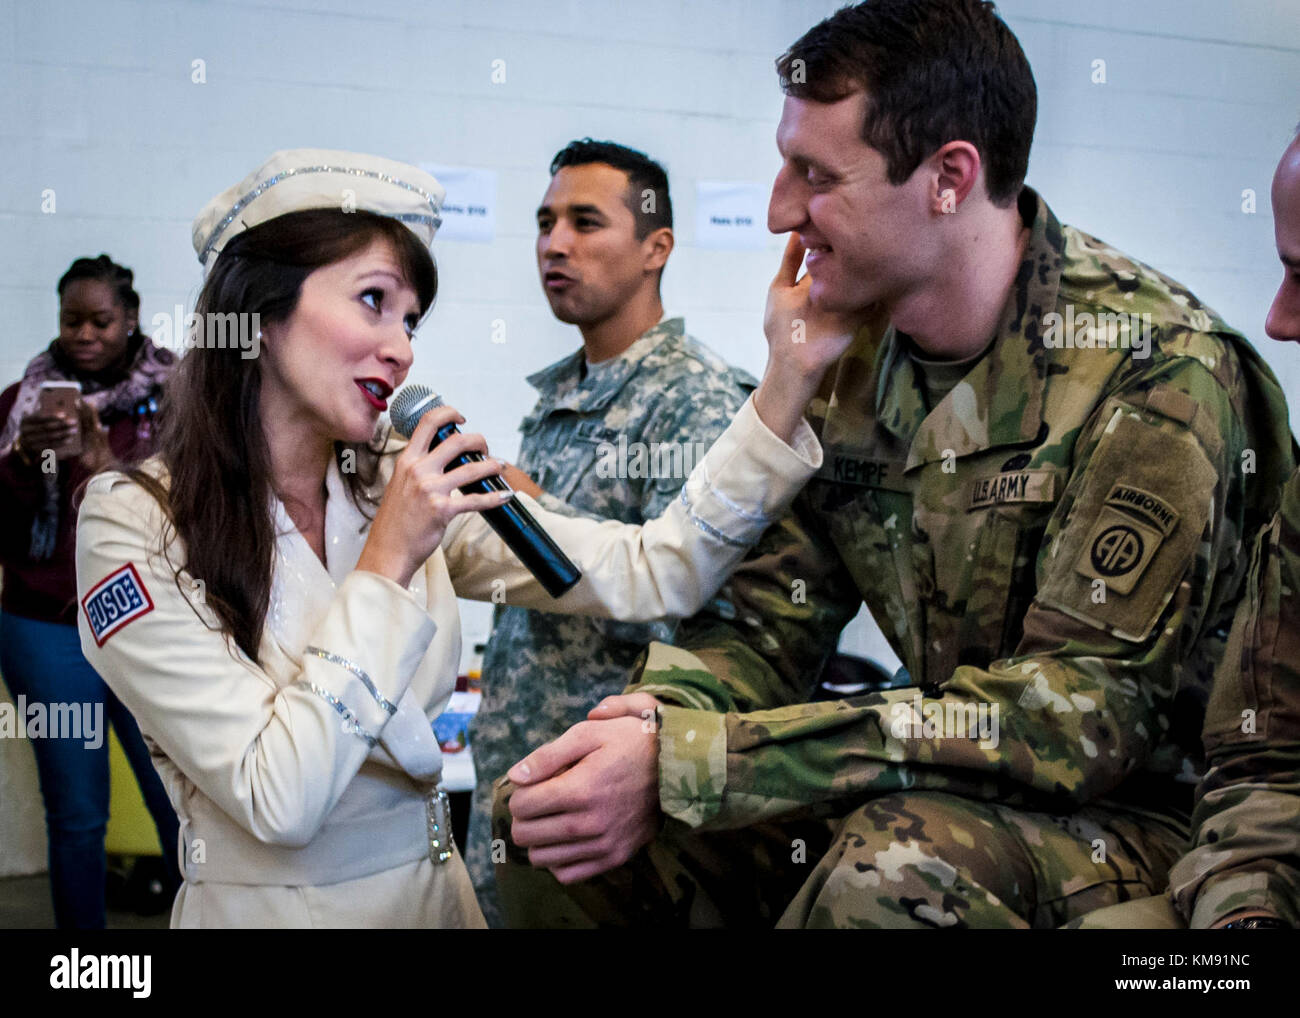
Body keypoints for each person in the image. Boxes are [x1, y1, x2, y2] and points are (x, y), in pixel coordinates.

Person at [493, 0, 1296, 928]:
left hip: (1137, 821)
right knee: (553, 822)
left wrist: (703, 761)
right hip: (925, 789)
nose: (777, 212)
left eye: (815, 175)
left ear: (948, 177)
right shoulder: (847, 362)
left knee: (896, 867)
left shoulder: (1155, 374)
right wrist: (648, 721)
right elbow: (760, 627)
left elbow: (1075, 720)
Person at [72, 148, 853, 929]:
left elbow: (658, 571)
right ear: (260, 316)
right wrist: (389, 556)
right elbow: (279, 798)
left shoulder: (389, 480)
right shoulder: (134, 521)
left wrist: (789, 378)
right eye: (372, 301)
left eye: (410, 319)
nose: (402, 347)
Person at [465, 138, 757, 924]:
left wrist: (535, 509)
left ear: (655, 246)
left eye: (585, 222)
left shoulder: (696, 399)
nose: (554, 244)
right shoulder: (562, 394)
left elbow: (700, 607)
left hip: (609, 805)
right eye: (545, 221)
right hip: (522, 769)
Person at [1072, 129, 1300, 930]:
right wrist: (1247, 917)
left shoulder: (1173, 372)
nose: (1277, 320)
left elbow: (1089, 708)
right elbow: (1267, 762)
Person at [0, 254, 179, 929]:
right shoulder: (22, 405)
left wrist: (105, 463)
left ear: (130, 320)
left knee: (180, 800)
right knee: (77, 815)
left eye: (100, 321)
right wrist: (24, 462)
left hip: (150, 623)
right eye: (70, 320)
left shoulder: (179, 395)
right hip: (46, 627)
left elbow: (193, 507)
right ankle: (84, 961)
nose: (83, 334)